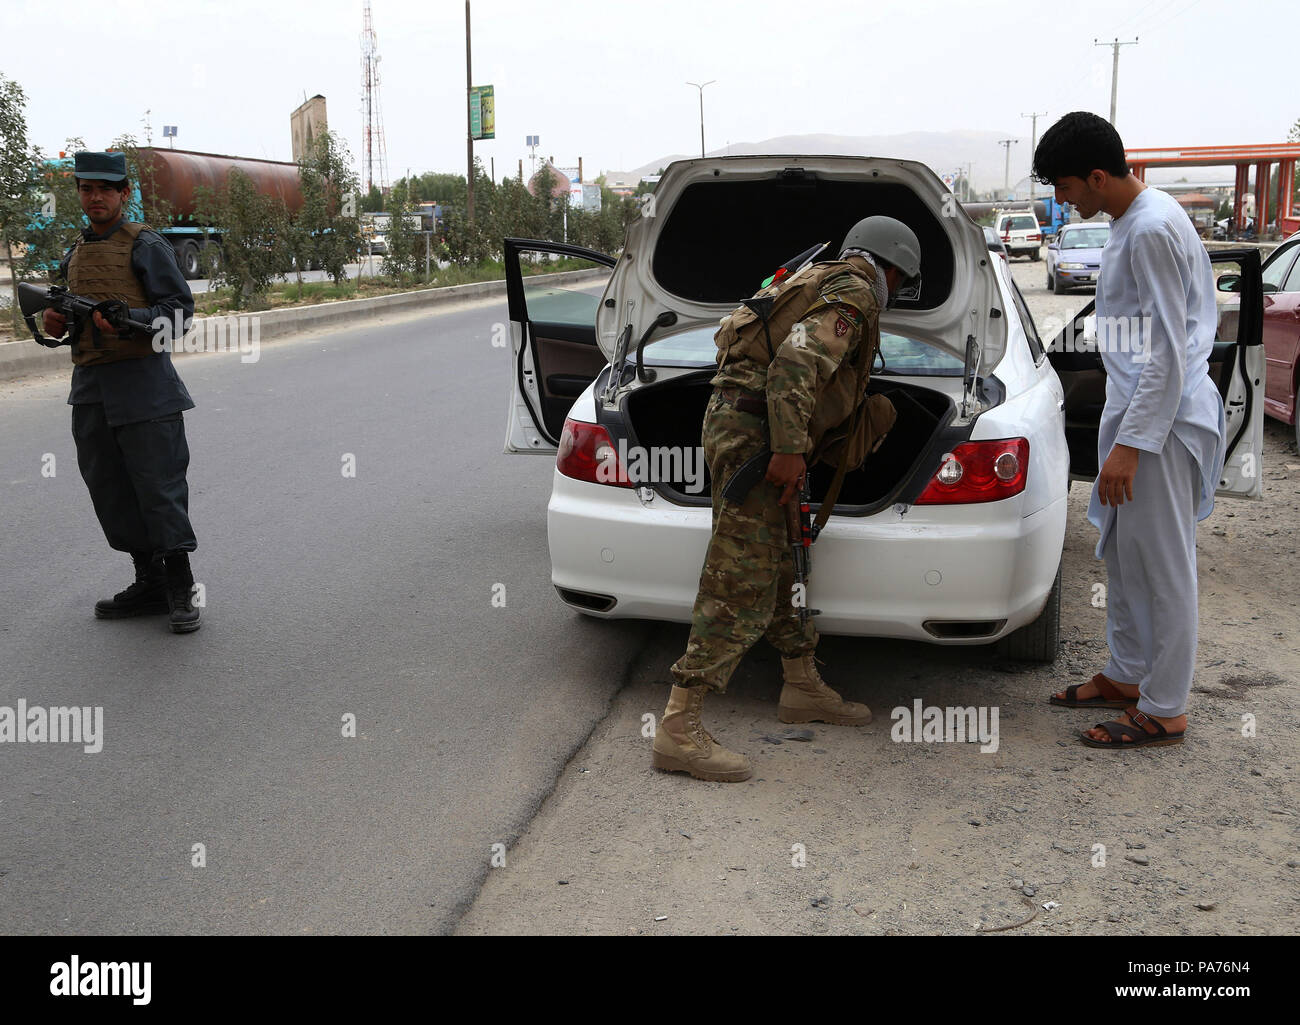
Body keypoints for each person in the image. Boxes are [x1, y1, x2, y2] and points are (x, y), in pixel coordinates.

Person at [651, 216, 922, 781]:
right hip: (761, 435)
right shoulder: (853, 290)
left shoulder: (816, 275)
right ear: (892, 267)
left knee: (783, 558)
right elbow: (799, 360)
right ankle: (678, 727)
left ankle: (800, 685)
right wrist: (791, 450)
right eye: (900, 280)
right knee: (740, 572)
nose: (895, 291)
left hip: (749, 425)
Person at [1032, 112, 1225, 747]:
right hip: (1138, 415)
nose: (1062, 200)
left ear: (1095, 175)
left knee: (1164, 564)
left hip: (1162, 426)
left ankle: (1165, 705)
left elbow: (1170, 350)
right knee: (1124, 554)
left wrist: (1132, 447)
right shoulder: (1130, 221)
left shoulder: (1150, 230)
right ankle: (1128, 673)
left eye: (1064, 187)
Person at [41, 151, 202, 633]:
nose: (95, 198)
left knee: (159, 489)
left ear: (124, 193)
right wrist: (51, 323)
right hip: (91, 391)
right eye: (86, 189)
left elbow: (179, 314)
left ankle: (179, 586)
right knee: (110, 490)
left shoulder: (146, 245)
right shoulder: (74, 252)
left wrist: (131, 319)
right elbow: (66, 321)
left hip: (145, 390)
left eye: (105, 189)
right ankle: (148, 580)